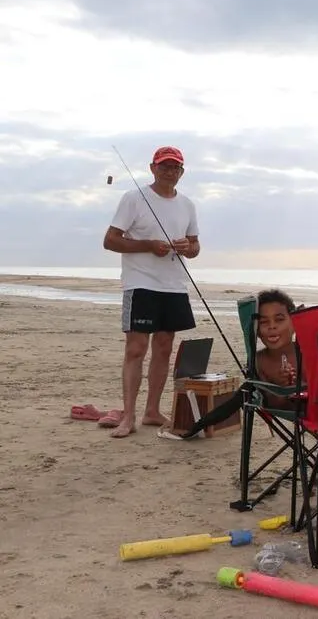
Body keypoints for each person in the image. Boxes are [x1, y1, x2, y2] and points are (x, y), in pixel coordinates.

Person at [102, 146, 199, 439]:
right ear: (153, 168)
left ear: (181, 172)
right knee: (135, 349)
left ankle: (152, 411)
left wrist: (187, 247)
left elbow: (195, 246)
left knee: (164, 347)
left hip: (173, 285)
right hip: (140, 283)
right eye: (164, 166)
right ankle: (128, 416)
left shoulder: (188, 205)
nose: (170, 172)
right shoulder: (133, 198)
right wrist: (149, 245)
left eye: (175, 168)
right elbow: (110, 240)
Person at [173, 289, 298, 438]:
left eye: (279, 319)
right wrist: (200, 425)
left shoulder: (310, 354)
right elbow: (233, 404)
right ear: (256, 331)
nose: (272, 326)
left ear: (294, 322)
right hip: (296, 409)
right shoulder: (259, 361)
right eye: (264, 322)